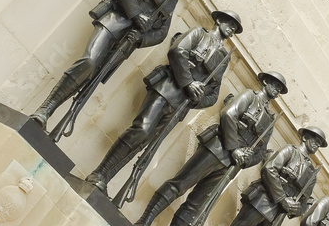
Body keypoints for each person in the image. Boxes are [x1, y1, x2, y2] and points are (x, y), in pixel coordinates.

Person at [30, 0, 196, 131]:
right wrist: (136, 15)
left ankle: (52, 116)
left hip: (129, 40)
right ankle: (45, 109)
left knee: (91, 79)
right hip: (115, 20)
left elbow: (162, 32)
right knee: (89, 63)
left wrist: (141, 39)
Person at [85, 10, 242, 197]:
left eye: (234, 27)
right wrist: (189, 83)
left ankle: (105, 179)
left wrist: (197, 98)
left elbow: (214, 95)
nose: (231, 29)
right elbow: (177, 52)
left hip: (181, 106)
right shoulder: (199, 34)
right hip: (165, 89)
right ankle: (99, 172)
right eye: (229, 23)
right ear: (219, 20)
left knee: (145, 145)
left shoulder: (223, 58)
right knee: (141, 129)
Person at [132, 72, 289, 226]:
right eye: (275, 84)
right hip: (216, 149)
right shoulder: (249, 96)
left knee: (194, 205)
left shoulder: (270, 120)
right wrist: (234, 150)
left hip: (230, 166)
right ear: (265, 82)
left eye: (279, 88)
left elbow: (261, 152)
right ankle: (143, 223)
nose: (276, 90)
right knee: (178, 186)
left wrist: (246, 159)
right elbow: (228, 115)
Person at [203, 126, 326, 226]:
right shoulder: (289, 151)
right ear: (305, 137)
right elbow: (269, 169)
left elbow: (304, 202)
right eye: (315, 140)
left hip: (276, 216)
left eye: (320, 143)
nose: (317, 144)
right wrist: (282, 199)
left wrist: (296, 208)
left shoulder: (312, 173)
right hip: (261, 202)